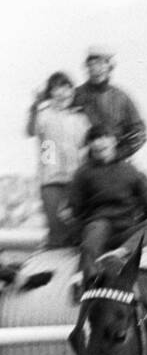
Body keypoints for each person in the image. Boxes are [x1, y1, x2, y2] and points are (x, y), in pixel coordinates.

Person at [65, 126, 147, 278]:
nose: (99, 142)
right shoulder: (83, 173)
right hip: (99, 229)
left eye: (104, 137)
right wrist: (76, 233)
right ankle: (83, 279)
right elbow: (75, 210)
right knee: (98, 227)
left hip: (126, 232)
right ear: (90, 145)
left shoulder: (132, 172)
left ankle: (119, 253)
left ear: (114, 141)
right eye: (94, 139)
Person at [26, 71, 90, 248]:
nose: (62, 93)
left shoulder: (81, 117)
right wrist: (35, 106)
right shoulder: (43, 114)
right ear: (50, 92)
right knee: (55, 225)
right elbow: (31, 132)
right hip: (51, 179)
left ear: (72, 91)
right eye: (56, 88)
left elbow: (86, 146)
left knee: (76, 224)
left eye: (66, 87)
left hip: (76, 179)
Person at [73, 46, 147, 161]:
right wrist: (47, 164)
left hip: (116, 164)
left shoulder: (121, 97)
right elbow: (49, 130)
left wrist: (118, 154)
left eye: (103, 64)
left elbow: (140, 132)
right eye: (93, 64)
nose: (98, 68)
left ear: (110, 67)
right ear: (87, 67)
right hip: (81, 164)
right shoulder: (74, 96)